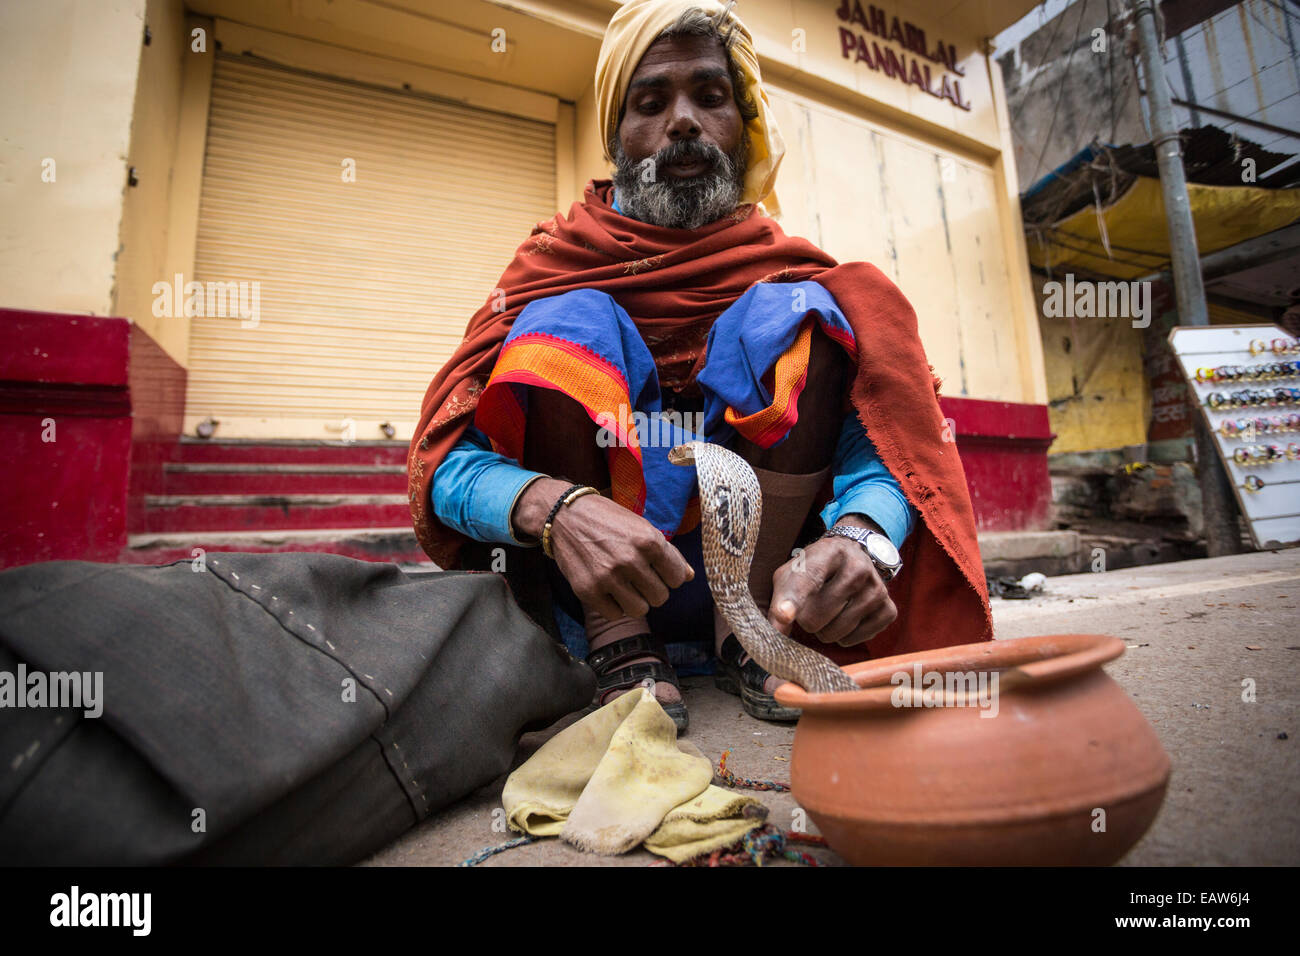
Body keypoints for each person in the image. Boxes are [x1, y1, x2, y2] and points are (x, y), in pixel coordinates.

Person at [407, 0, 991, 731]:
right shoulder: (549, 269)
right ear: (617, 137)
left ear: (742, 127)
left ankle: (746, 637)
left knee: (813, 304)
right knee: (567, 320)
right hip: (583, 603)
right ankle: (619, 639)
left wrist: (862, 537)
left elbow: (885, 456)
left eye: (710, 97)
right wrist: (555, 508)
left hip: (775, 598)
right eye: (649, 103)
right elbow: (447, 470)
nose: (681, 122)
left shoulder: (786, 272)